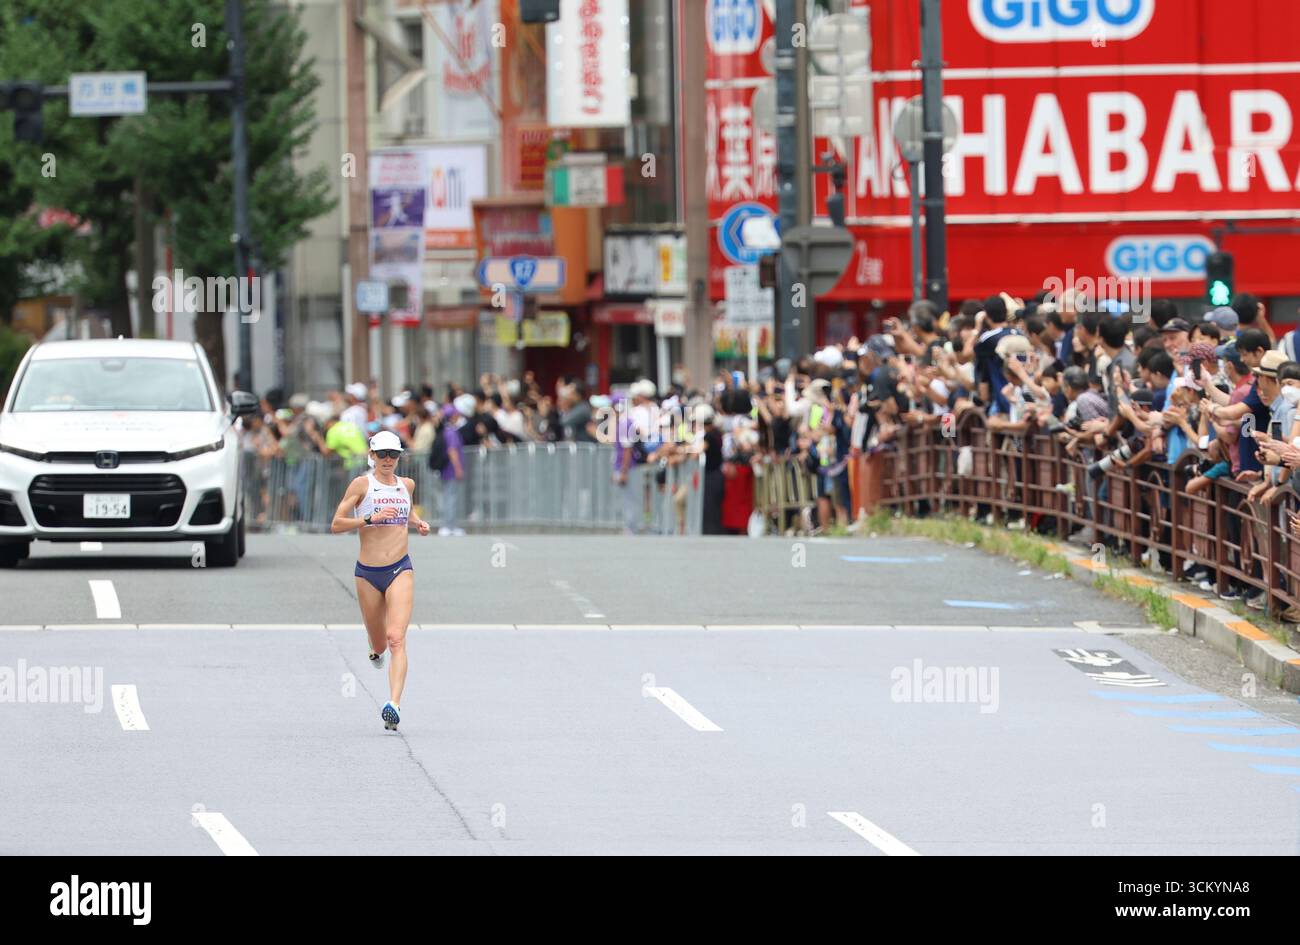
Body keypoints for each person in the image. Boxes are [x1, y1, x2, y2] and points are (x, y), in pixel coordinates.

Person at [330, 430, 431, 732]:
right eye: (382, 454)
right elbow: (336, 524)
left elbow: (407, 512)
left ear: (399, 457)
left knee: (396, 637)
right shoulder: (362, 485)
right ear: (372, 456)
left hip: (401, 568)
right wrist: (369, 519)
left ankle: (393, 704)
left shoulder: (406, 485)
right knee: (379, 643)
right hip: (368, 573)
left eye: (394, 454)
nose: (388, 460)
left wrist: (418, 523)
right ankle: (375, 650)